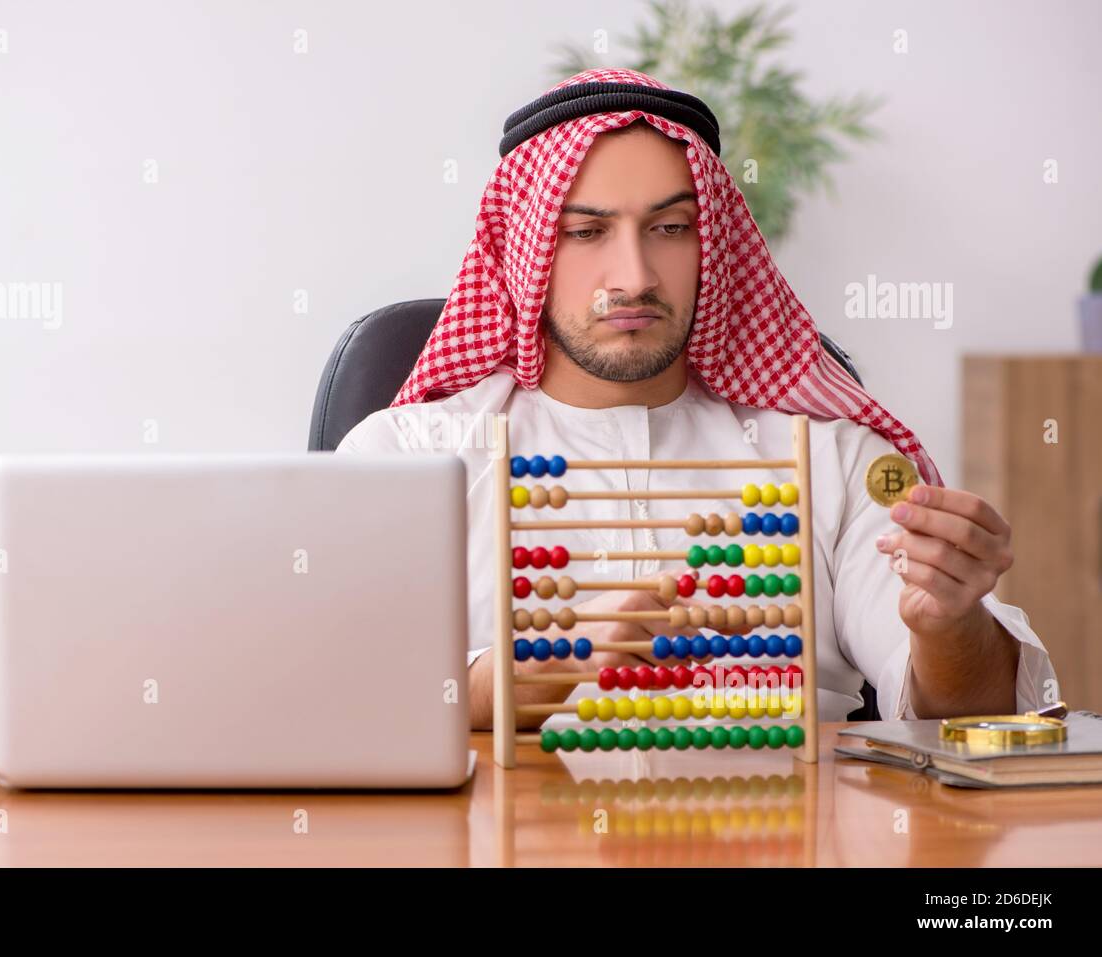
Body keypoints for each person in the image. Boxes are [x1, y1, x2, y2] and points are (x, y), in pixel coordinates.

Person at [335, 68, 1055, 731]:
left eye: (670, 228)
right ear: (525, 252)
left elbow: (970, 721)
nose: (634, 275)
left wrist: (951, 628)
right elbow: (344, 704)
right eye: (586, 231)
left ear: (710, 242)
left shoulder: (836, 460)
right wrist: (550, 667)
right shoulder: (402, 460)